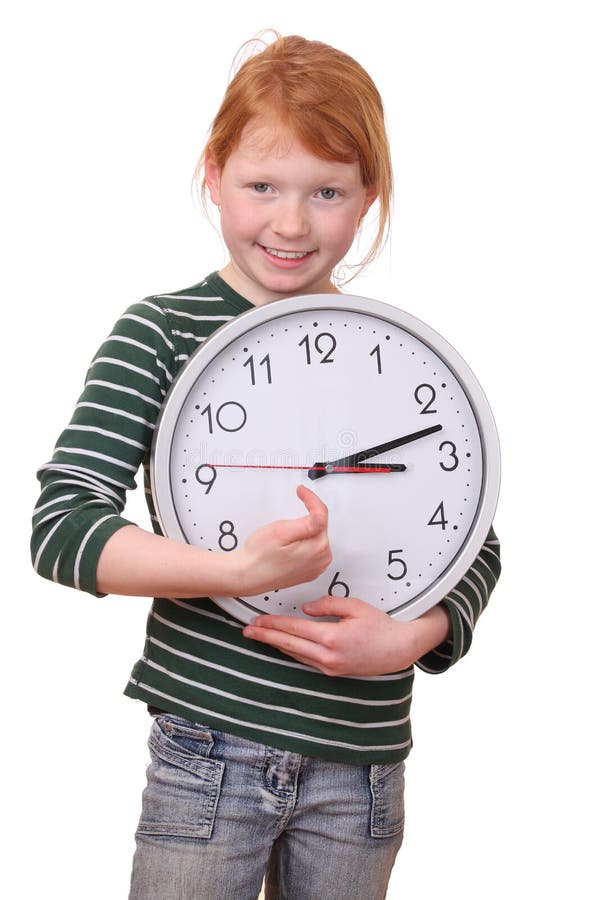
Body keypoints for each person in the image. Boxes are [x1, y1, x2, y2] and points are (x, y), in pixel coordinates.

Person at [31, 33, 501, 900]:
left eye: (326, 192)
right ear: (212, 175)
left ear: (369, 198)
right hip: (208, 752)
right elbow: (64, 527)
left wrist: (413, 636)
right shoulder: (161, 333)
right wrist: (229, 571)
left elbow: (476, 541)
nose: (290, 223)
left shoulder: (395, 357)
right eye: (262, 187)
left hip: (359, 768)